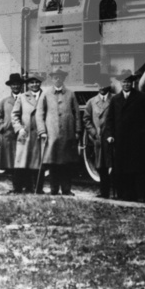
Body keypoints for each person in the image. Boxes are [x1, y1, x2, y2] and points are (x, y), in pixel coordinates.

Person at [106, 71, 145, 202]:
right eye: (124, 82)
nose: (126, 84)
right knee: (123, 168)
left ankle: (140, 196)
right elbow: (110, 119)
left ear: (132, 83)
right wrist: (110, 134)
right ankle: (126, 195)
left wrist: (142, 129)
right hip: (121, 139)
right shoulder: (115, 99)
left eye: (128, 82)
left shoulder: (141, 97)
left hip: (137, 140)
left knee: (138, 168)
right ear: (120, 83)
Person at [36, 68, 81, 196]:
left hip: (67, 134)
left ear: (64, 78)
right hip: (51, 135)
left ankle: (66, 189)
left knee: (66, 164)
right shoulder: (46, 94)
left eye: (60, 77)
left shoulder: (71, 94)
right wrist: (42, 131)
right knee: (53, 163)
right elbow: (39, 114)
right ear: (52, 79)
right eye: (55, 77)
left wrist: (77, 130)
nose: (58, 79)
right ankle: (54, 190)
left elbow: (77, 114)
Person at [12, 74, 46, 194]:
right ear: (28, 84)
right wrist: (19, 128)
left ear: (40, 83)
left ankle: (38, 189)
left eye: (37, 82)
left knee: (38, 162)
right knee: (22, 161)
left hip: (40, 134)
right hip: (25, 135)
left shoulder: (46, 96)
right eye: (32, 82)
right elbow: (15, 115)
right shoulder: (22, 97)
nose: (34, 84)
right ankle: (19, 188)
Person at [82, 77, 114, 198]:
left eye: (104, 84)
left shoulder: (115, 99)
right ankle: (103, 191)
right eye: (99, 84)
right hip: (98, 138)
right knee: (101, 166)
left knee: (113, 164)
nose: (102, 87)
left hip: (111, 137)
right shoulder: (91, 102)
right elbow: (86, 119)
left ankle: (117, 192)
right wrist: (93, 132)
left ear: (108, 86)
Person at [0, 73, 26, 193]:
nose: (15, 87)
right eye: (13, 84)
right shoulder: (5, 101)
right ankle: (13, 187)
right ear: (10, 86)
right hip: (8, 135)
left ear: (21, 85)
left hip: (22, 135)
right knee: (10, 163)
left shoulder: (25, 98)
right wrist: (2, 126)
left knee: (22, 162)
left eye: (18, 84)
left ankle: (23, 186)